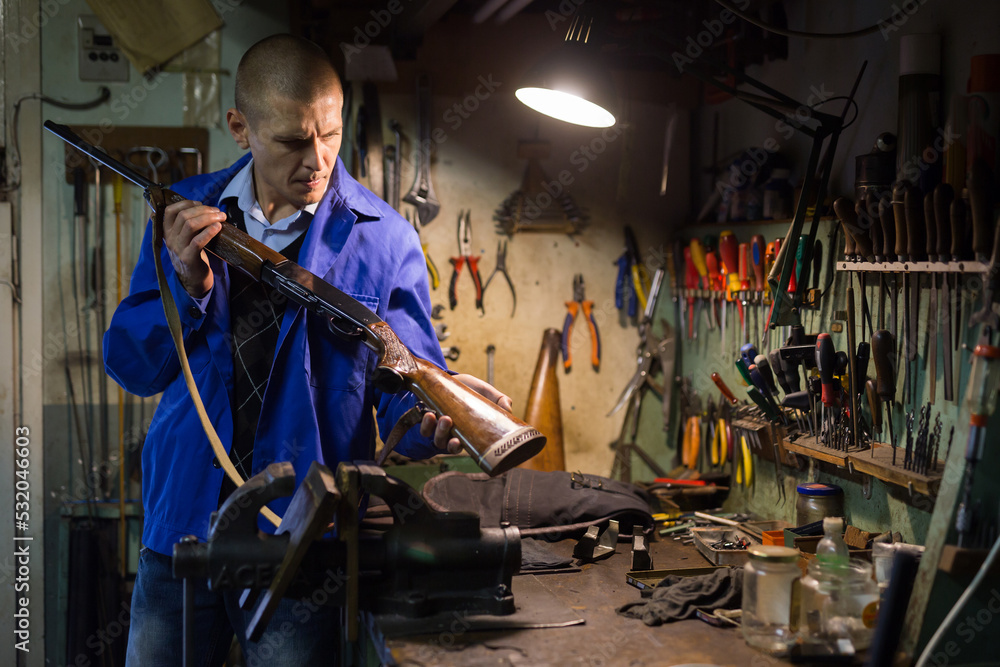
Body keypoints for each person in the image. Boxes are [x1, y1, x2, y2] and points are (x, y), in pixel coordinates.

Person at [106, 34, 509, 666]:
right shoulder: (182, 215)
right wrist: (188, 289)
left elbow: (405, 408)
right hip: (182, 517)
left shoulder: (388, 242)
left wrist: (432, 428)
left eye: (330, 134)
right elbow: (135, 367)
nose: (317, 160)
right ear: (241, 127)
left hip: (307, 536)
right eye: (294, 141)